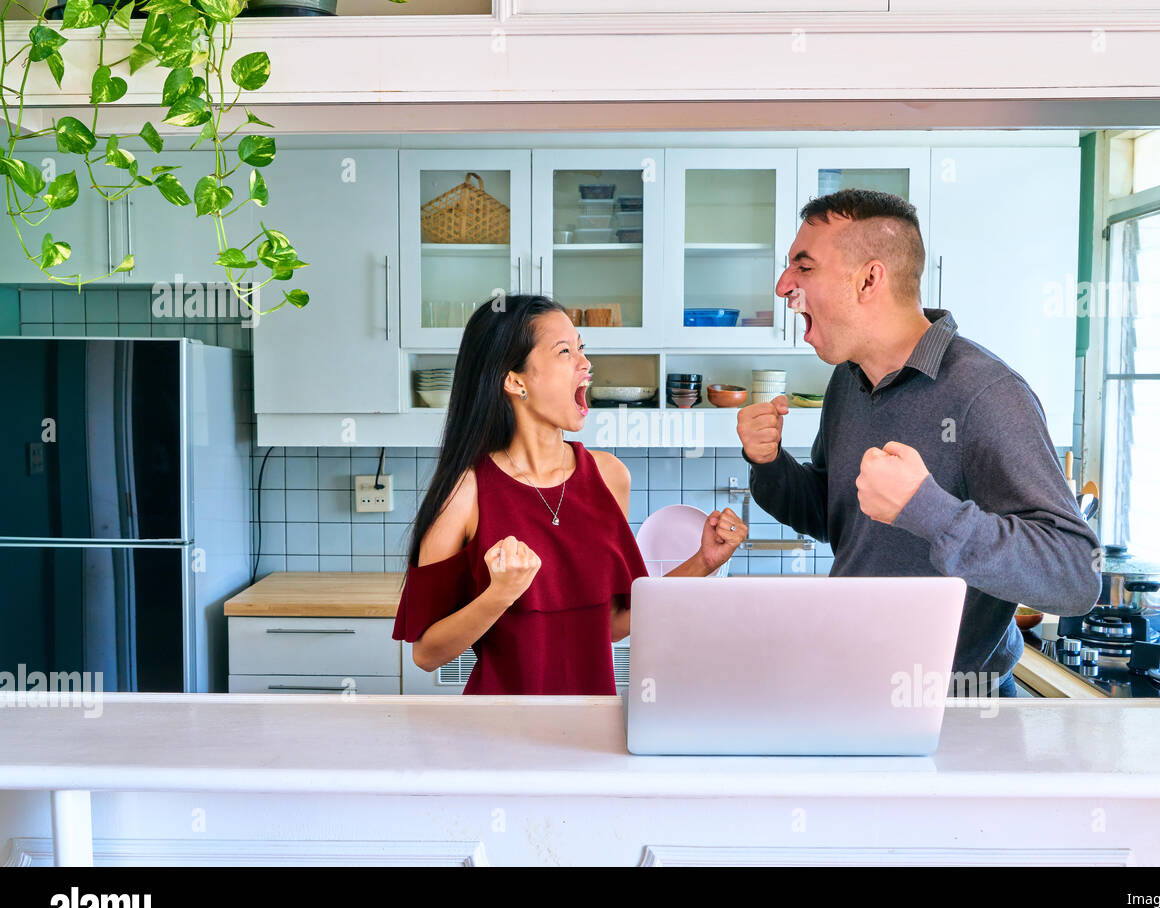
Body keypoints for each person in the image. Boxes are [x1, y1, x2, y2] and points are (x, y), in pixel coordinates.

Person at [737, 189, 1101, 698]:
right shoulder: (850, 380)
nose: (782, 286)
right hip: (855, 686)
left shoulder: (987, 395)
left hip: (956, 709)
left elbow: (1074, 576)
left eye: (805, 267)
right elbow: (831, 516)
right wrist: (770, 463)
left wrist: (929, 510)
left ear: (869, 278)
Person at [393, 294, 748, 694]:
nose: (585, 364)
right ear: (515, 380)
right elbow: (426, 653)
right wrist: (501, 595)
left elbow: (612, 624)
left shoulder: (609, 476)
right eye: (565, 352)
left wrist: (703, 562)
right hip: (497, 735)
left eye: (582, 349)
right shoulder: (466, 491)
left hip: (592, 730)